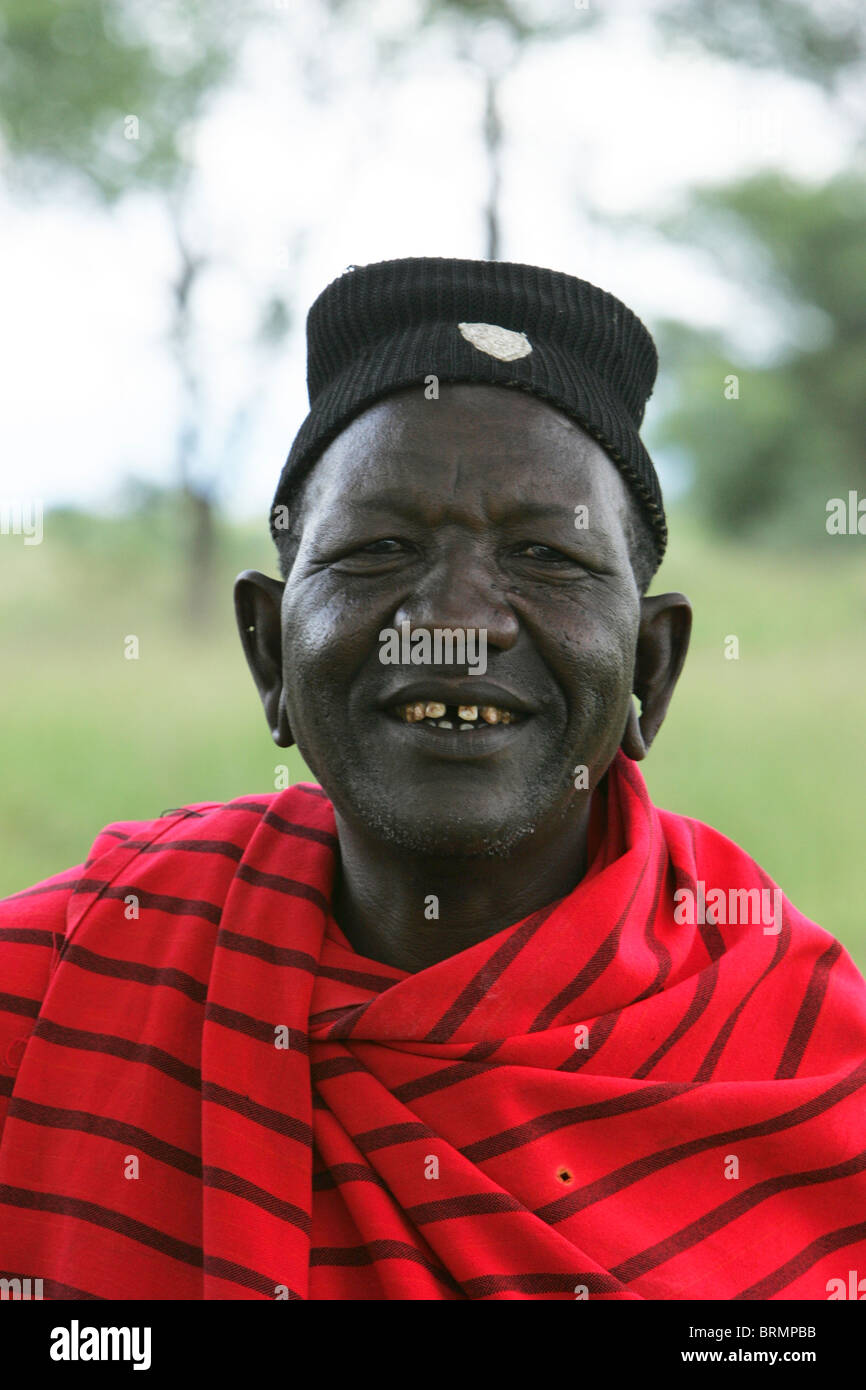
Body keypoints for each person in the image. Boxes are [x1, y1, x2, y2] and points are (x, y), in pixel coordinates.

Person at [2, 257, 864, 1301]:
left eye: (546, 555)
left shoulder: (807, 1069)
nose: (456, 625)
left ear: (651, 667)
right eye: (380, 547)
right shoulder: (55, 983)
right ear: (269, 652)